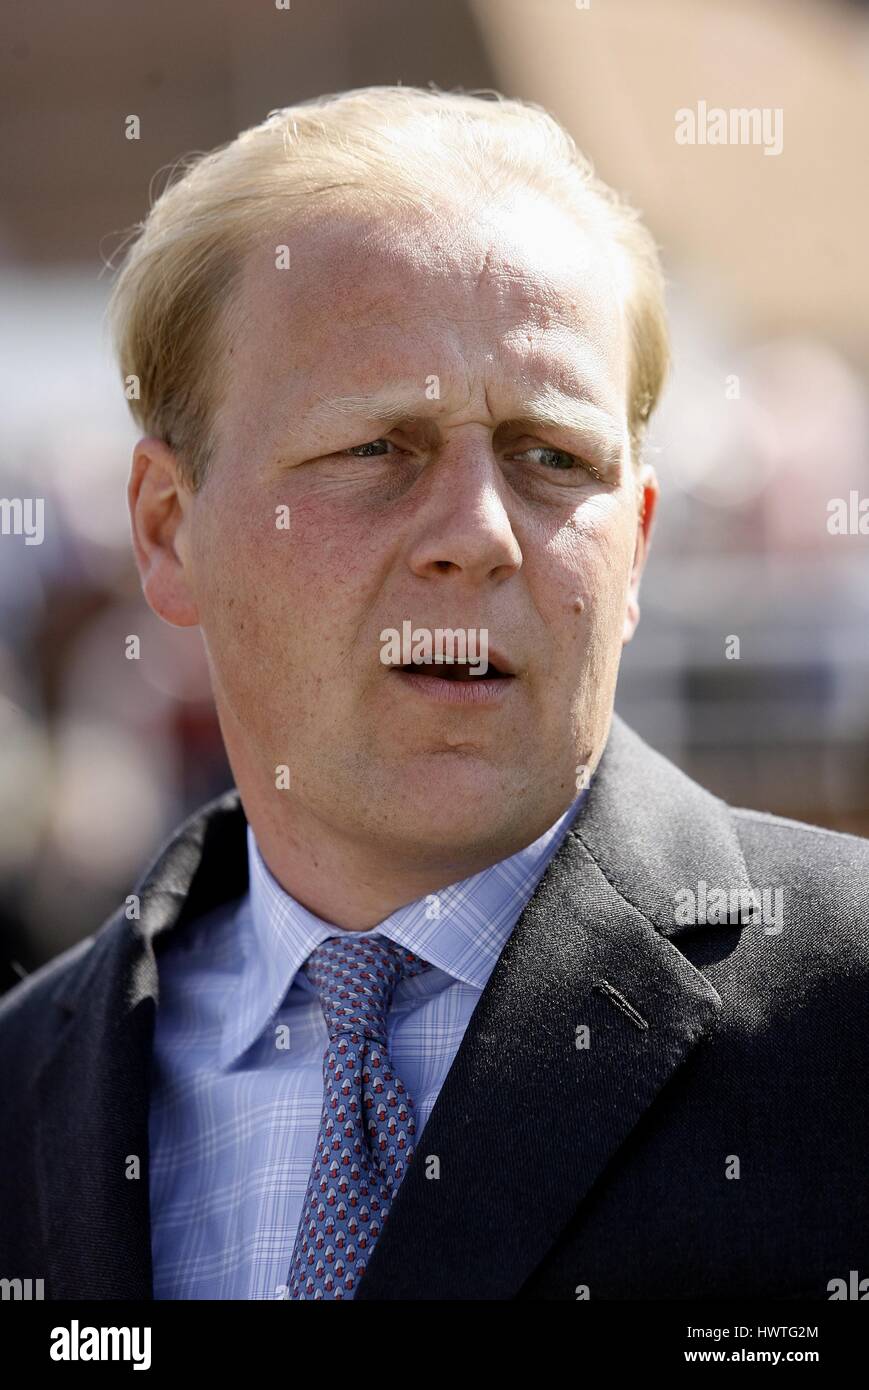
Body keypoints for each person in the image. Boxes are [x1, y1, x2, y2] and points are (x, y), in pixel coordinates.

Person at [1, 86, 866, 1302]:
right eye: (375, 448)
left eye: (551, 457)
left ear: (637, 544)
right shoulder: (30, 1089)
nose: (477, 534)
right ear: (166, 526)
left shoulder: (842, 1021)